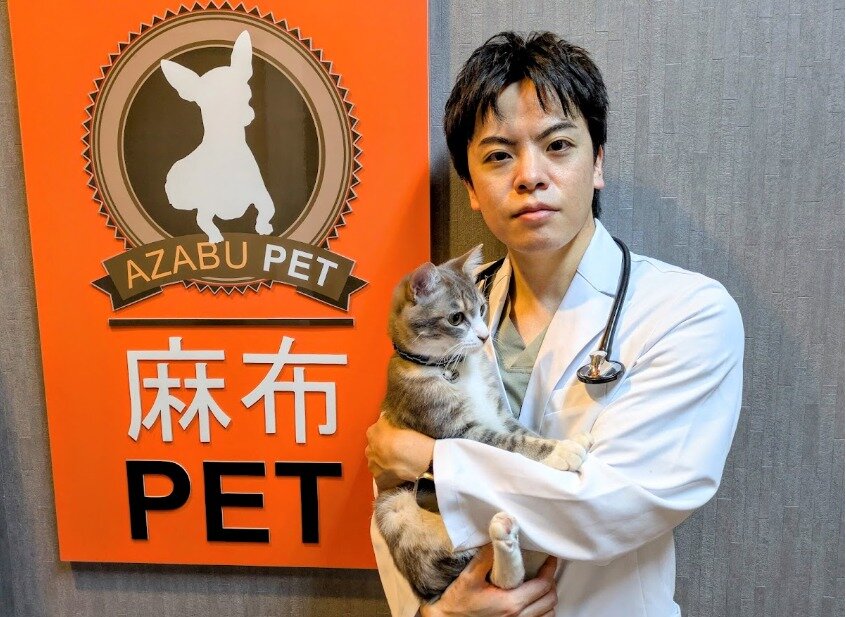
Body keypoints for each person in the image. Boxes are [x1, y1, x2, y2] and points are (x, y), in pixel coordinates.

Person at [365, 31, 744, 617]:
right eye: (498, 155)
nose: (530, 175)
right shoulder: (449, 313)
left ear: (598, 163)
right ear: (470, 189)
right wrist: (436, 614)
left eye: (558, 145)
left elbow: (610, 506)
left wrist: (432, 461)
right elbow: (395, 498)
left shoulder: (688, 313)